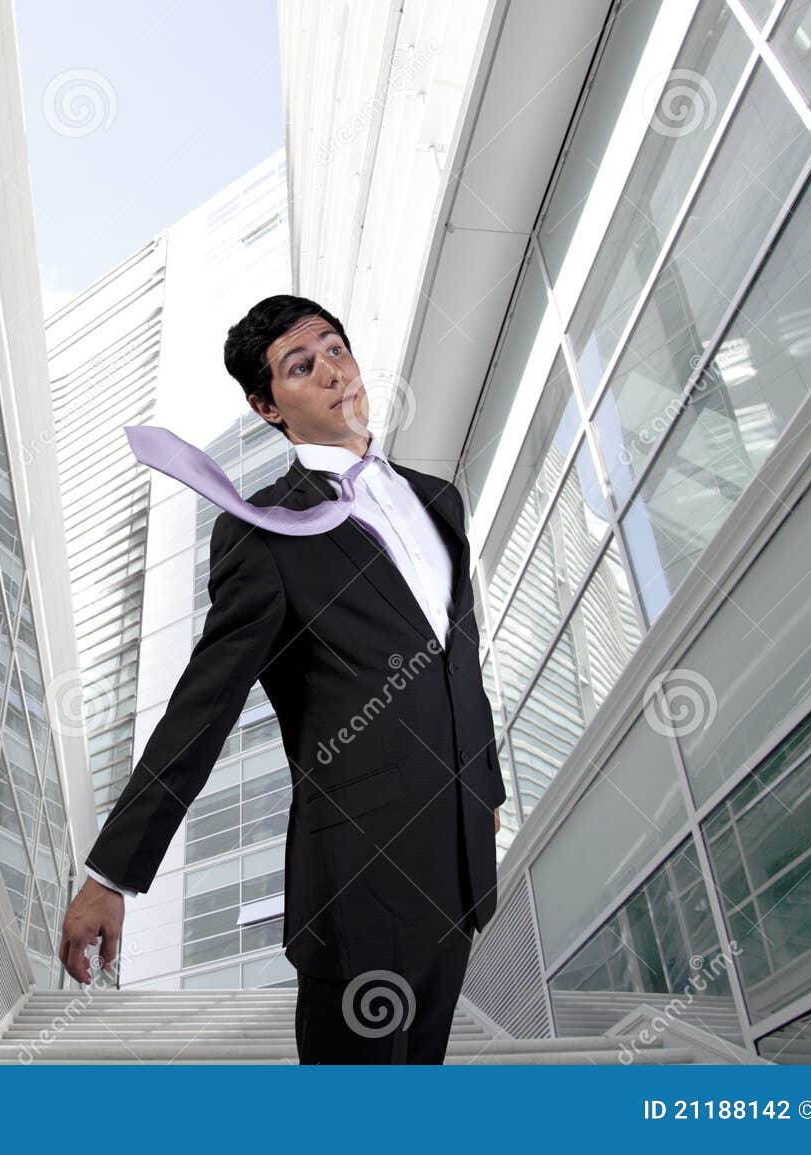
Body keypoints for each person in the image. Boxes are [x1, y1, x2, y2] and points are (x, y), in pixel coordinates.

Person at [58, 294, 505, 1063]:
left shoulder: (439, 499)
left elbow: (454, 657)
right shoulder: (263, 534)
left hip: (459, 859)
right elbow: (202, 707)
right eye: (302, 366)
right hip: (358, 875)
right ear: (269, 407)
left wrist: (485, 792)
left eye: (335, 347)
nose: (332, 370)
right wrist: (111, 875)